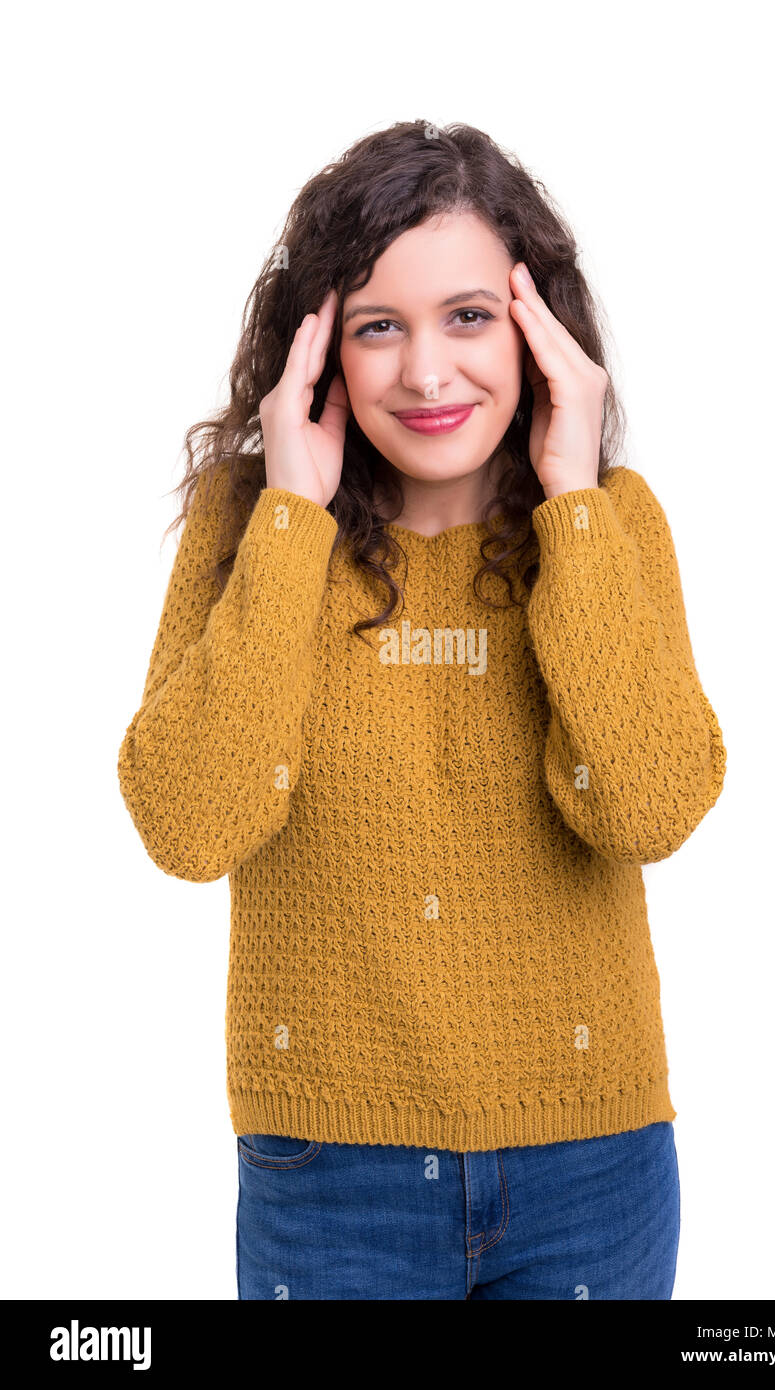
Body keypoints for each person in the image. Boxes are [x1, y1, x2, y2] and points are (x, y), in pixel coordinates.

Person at [117, 120, 726, 1300]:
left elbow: (648, 807)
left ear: (536, 330)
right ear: (318, 355)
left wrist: (570, 499)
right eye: (377, 328)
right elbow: (189, 825)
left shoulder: (611, 523)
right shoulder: (250, 528)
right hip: (328, 1172)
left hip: (590, 1166)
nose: (427, 374)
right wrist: (290, 519)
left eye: (467, 316)